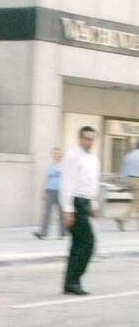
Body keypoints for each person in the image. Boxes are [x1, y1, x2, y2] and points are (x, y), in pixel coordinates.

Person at [59, 126, 100, 295]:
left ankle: (70, 283)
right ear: (80, 138)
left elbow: (93, 182)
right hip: (75, 203)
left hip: (85, 203)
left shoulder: (93, 159)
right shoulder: (72, 157)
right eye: (86, 138)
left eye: (91, 139)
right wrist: (68, 210)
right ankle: (73, 281)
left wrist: (94, 205)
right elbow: (67, 183)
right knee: (88, 243)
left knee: (78, 245)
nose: (89, 142)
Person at [33, 148, 63, 239]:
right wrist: (43, 191)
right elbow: (47, 179)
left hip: (61, 191)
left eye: (58, 153)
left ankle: (63, 233)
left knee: (62, 213)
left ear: (61, 155)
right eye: (55, 153)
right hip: (50, 190)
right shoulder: (50, 167)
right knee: (46, 213)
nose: (56, 155)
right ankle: (43, 233)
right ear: (52, 155)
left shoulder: (64, 166)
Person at [119, 140, 139, 232]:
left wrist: (123, 182)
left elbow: (124, 170)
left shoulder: (129, 155)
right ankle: (122, 219)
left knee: (137, 202)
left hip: (130, 180)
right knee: (136, 203)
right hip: (137, 180)